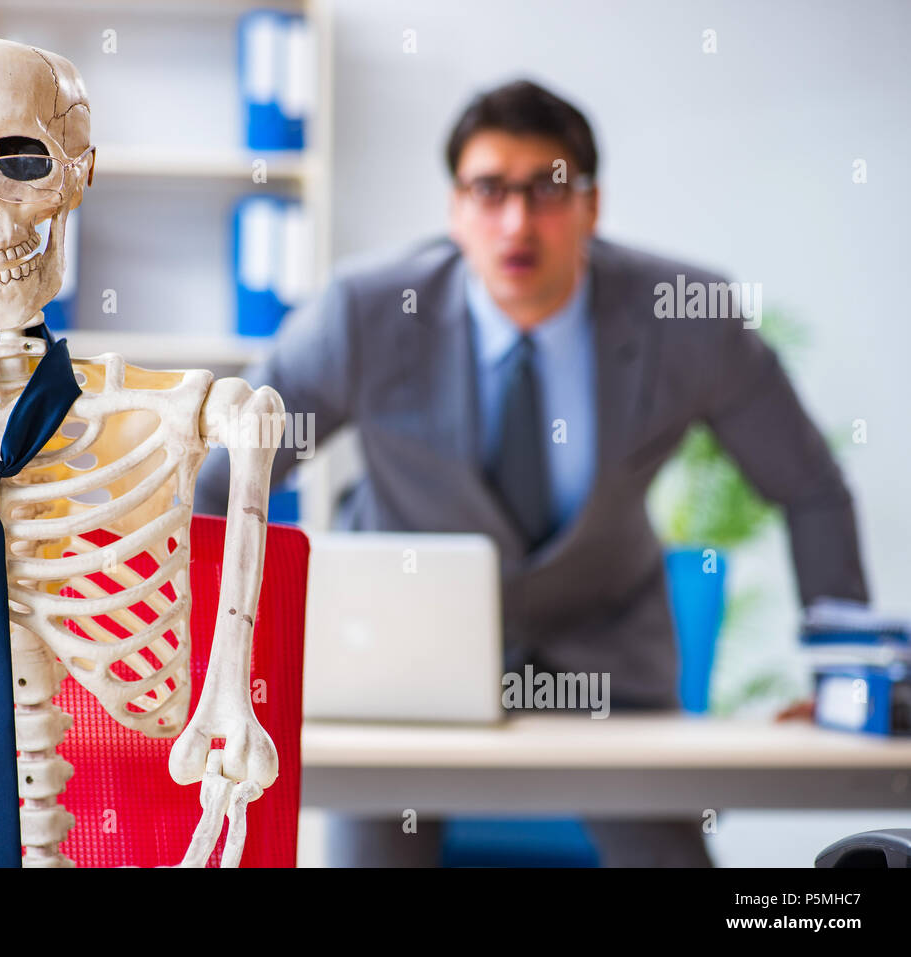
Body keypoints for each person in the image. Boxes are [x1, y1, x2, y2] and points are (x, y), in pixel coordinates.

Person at [191, 79, 869, 866]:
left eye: (547, 192)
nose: (517, 222)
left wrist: (844, 677)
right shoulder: (367, 314)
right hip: (399, 667)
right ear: (455, 208)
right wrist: (213, 666)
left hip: (608, 669)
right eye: (489, 190)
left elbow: (810, 485)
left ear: (591, 205)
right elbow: (226, 478)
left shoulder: (687, 316)